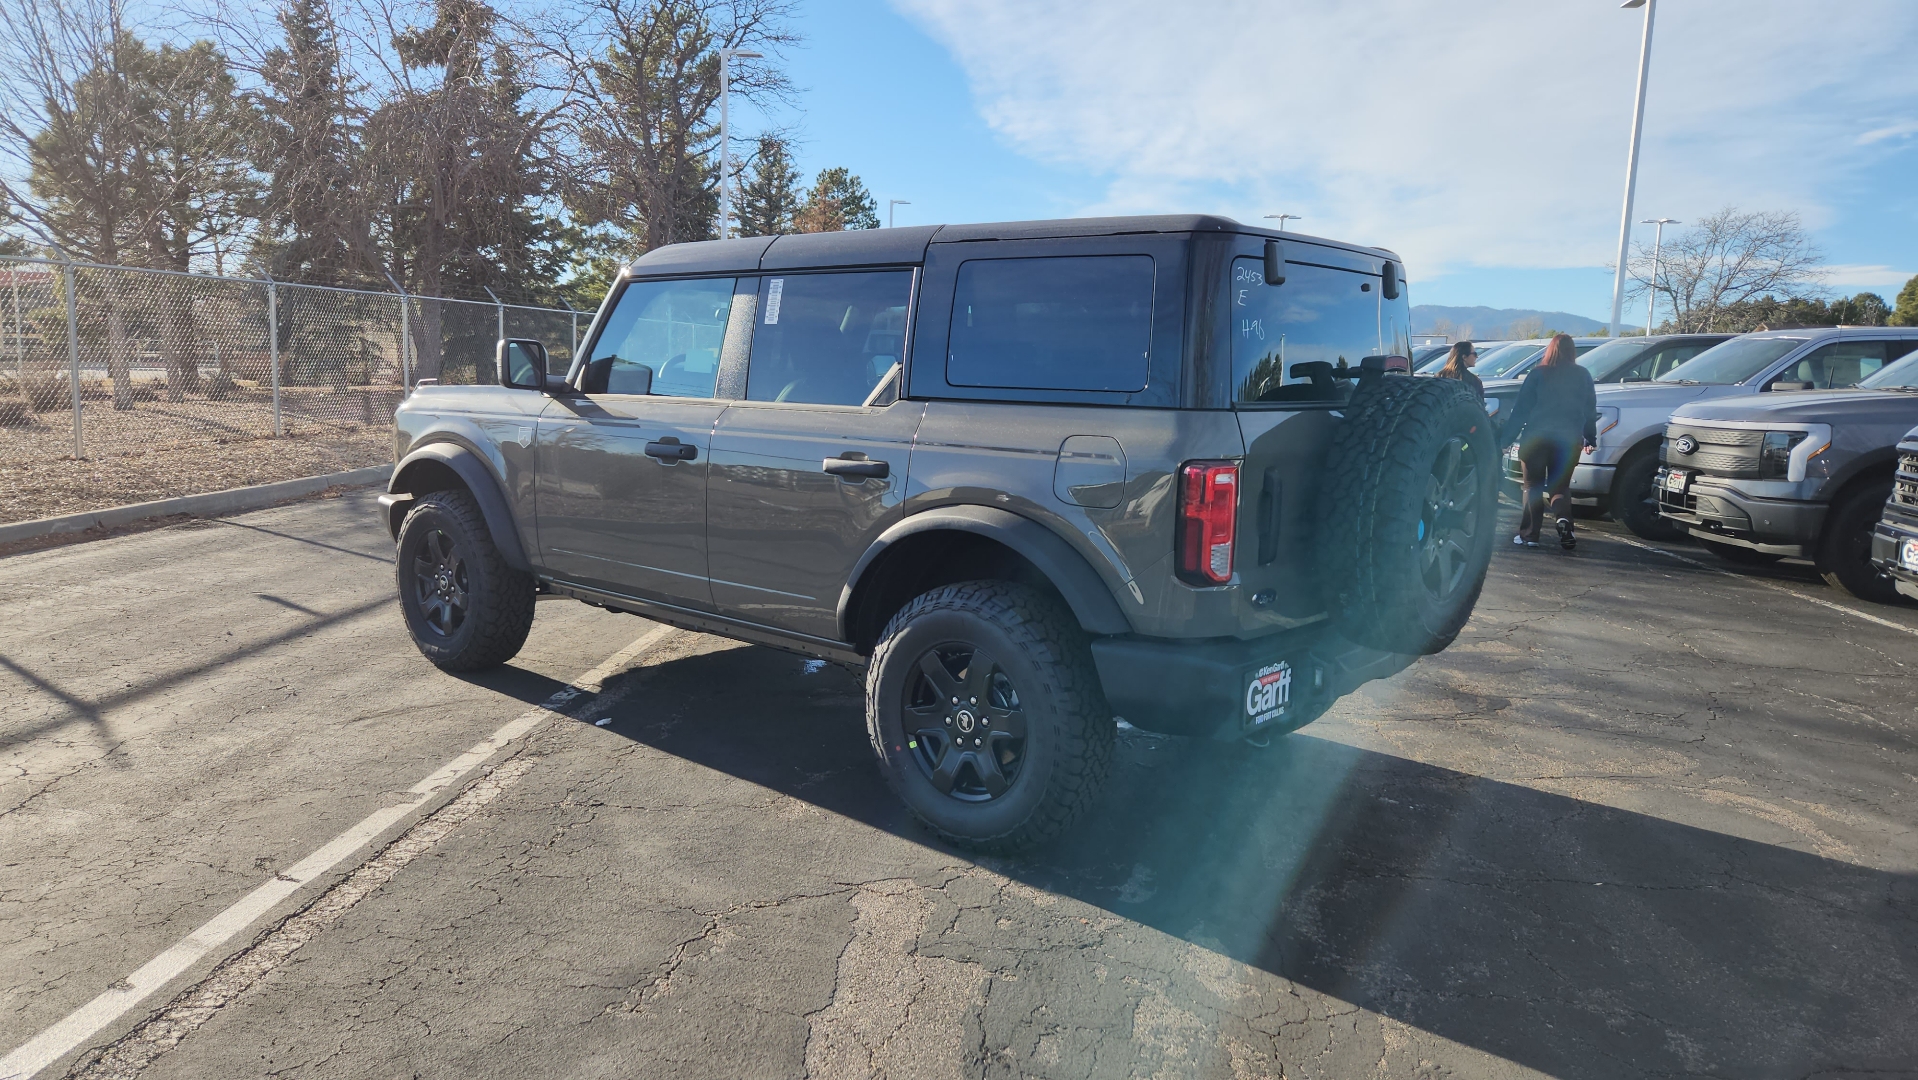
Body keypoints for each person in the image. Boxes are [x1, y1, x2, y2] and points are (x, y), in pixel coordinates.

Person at [1499, 333, 1596, 550]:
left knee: (1532, 486)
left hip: (1536, 438)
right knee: (1559, 486)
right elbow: (1590, 409)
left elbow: (1521, 410)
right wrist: (1590, 437)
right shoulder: (1583, 375)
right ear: (1573, 352)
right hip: (1569, 440)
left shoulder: (1537, 374)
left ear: (1549, 350)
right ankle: (1563, 520)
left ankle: (1529, 535)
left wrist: (1506, 439)